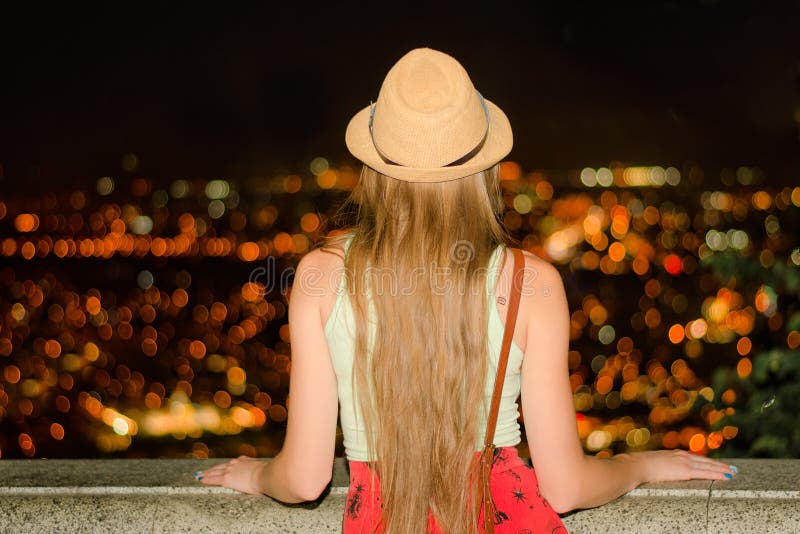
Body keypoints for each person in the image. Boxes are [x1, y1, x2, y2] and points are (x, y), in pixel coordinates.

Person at [196, 47, 737, 533]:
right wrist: (636, 465)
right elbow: (566, 488)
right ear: (484, 167)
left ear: (375, 167)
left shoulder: (320, 278)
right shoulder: (530, 283)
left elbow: (304, 479)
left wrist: (257, 475)